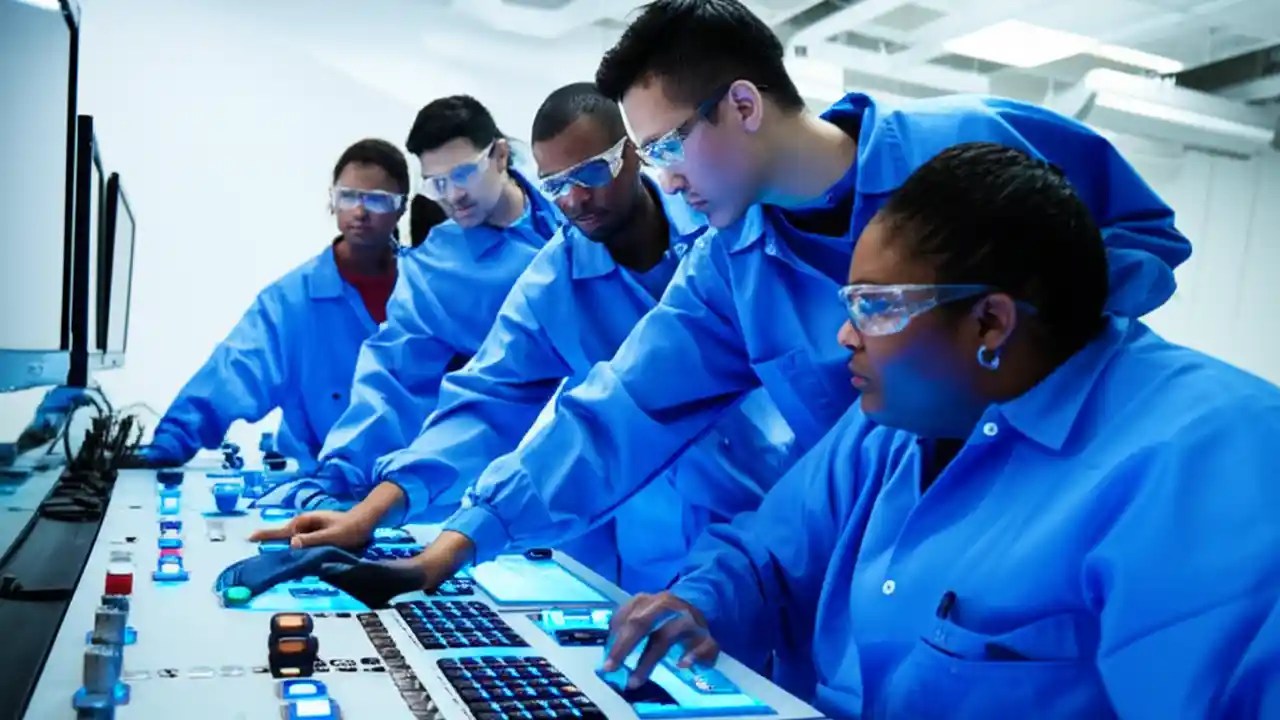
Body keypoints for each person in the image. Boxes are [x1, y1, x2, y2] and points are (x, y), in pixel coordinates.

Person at [384, 0, 1193, 587]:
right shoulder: (733, 266)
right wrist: (465, 537)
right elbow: (622, 407)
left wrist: (1027, 362)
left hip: (1046, 522)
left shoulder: (969, 141)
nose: (663, 174)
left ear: (742, 103)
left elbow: (1144, 239)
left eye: (667, 143)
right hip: (865, 553)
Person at [599, 143, 1280, 719]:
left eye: (874, 308)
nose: (844, 337)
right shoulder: (902, 418)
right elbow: (765, 556)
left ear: (990, 323)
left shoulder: (1206, 460)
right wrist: (695, 605)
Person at [252, 83, 795, 592]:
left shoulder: (725, 228)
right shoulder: (550, 281)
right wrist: (372, 508)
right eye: (558, 184)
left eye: (593, 172)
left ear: (634, 151)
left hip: (780, 510)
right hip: (646, 531)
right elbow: (486, 400)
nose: (576, 199)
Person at [265, 96, 564, 508]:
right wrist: (340, 475)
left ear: (499, 155)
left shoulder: (571, 201)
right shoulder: (435, 270)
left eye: (463, 174)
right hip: (527, 462)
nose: (452, 195)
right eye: (436, 183)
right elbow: (391, 373)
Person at [138, 139, 410, 468]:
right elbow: (235, 372)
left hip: (426, 490)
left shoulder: (429, 291)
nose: (360, 212)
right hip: (329, 491)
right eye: (348, 196)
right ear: (333, 200)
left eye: (378, 201)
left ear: (402, 207)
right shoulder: (290, 301)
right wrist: (170, 442)